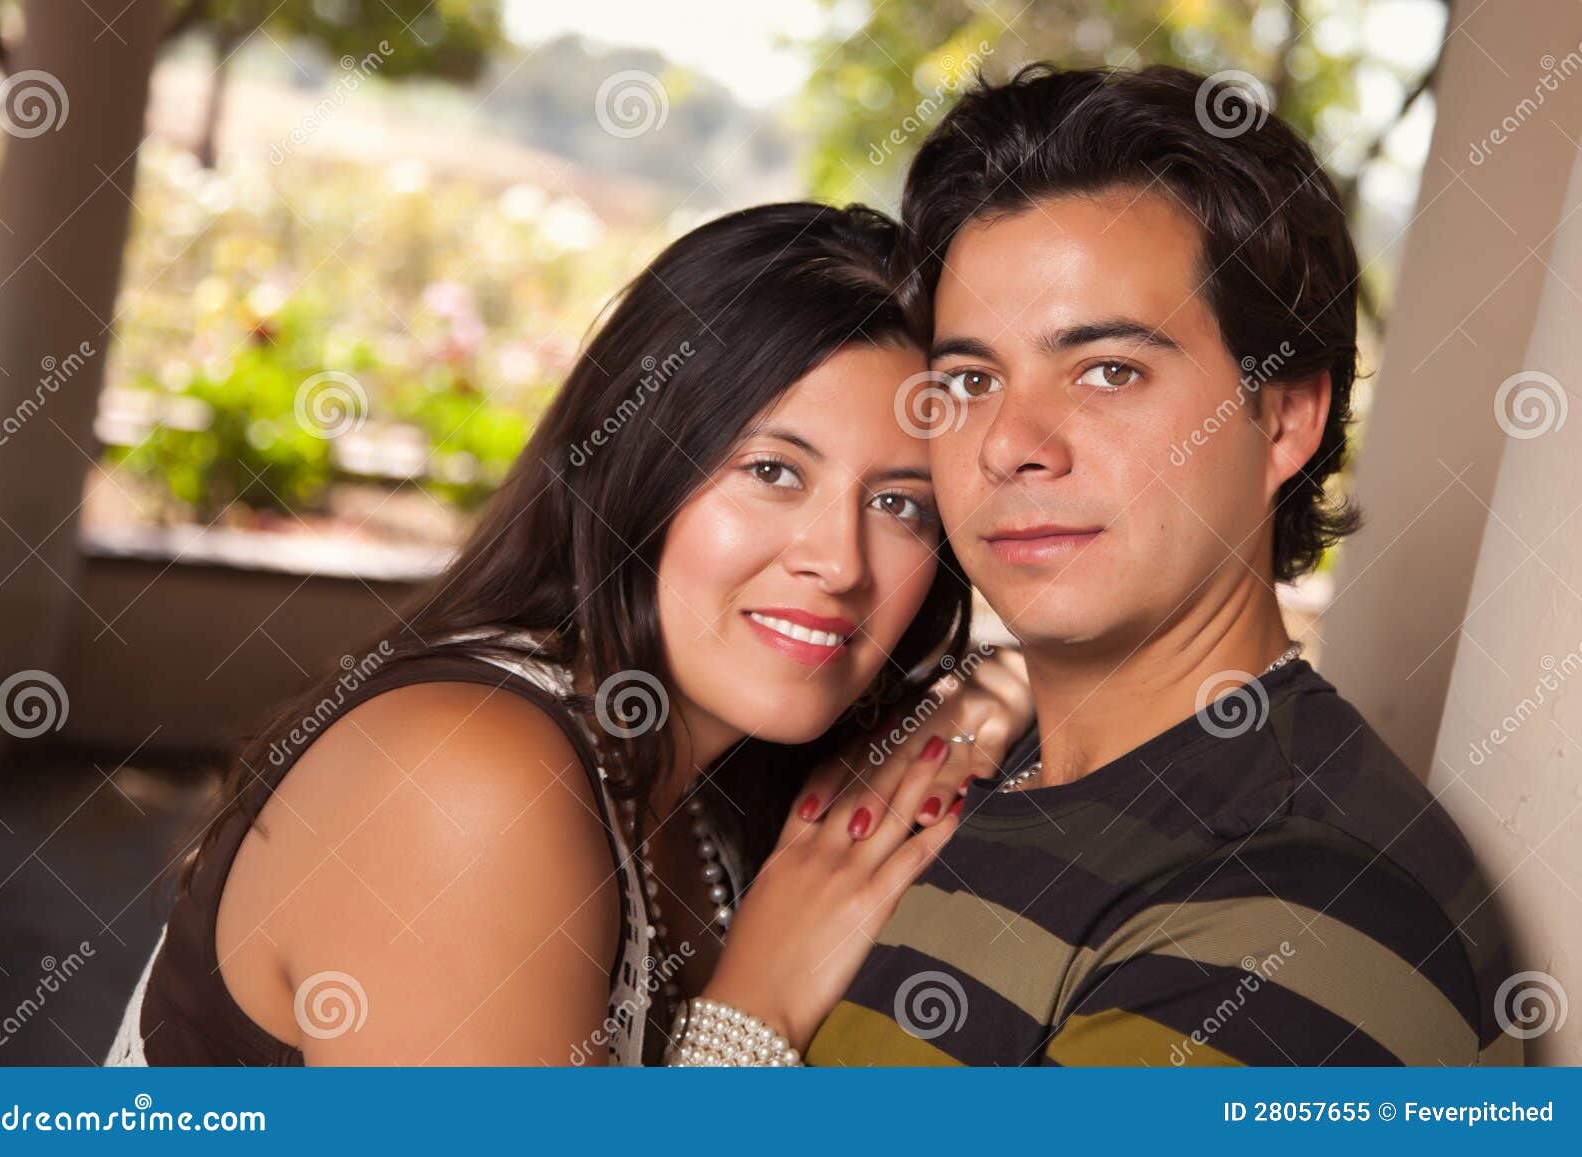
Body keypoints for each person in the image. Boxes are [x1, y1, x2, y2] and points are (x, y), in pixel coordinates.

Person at [104, 201, 1033, 1066]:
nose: (840, 561)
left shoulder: (707, 789)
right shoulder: (468, 775)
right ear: (632, 461)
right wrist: (754, 1013)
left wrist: (1008, 689)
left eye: (902, 505)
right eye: (773, 471)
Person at [805, 65, 1521, 1067]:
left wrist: (735, 1029)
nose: (1011, 441)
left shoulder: (1295, 911)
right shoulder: (972, 772)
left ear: (1283, 417)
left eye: (1107, 370)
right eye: (969, 378)